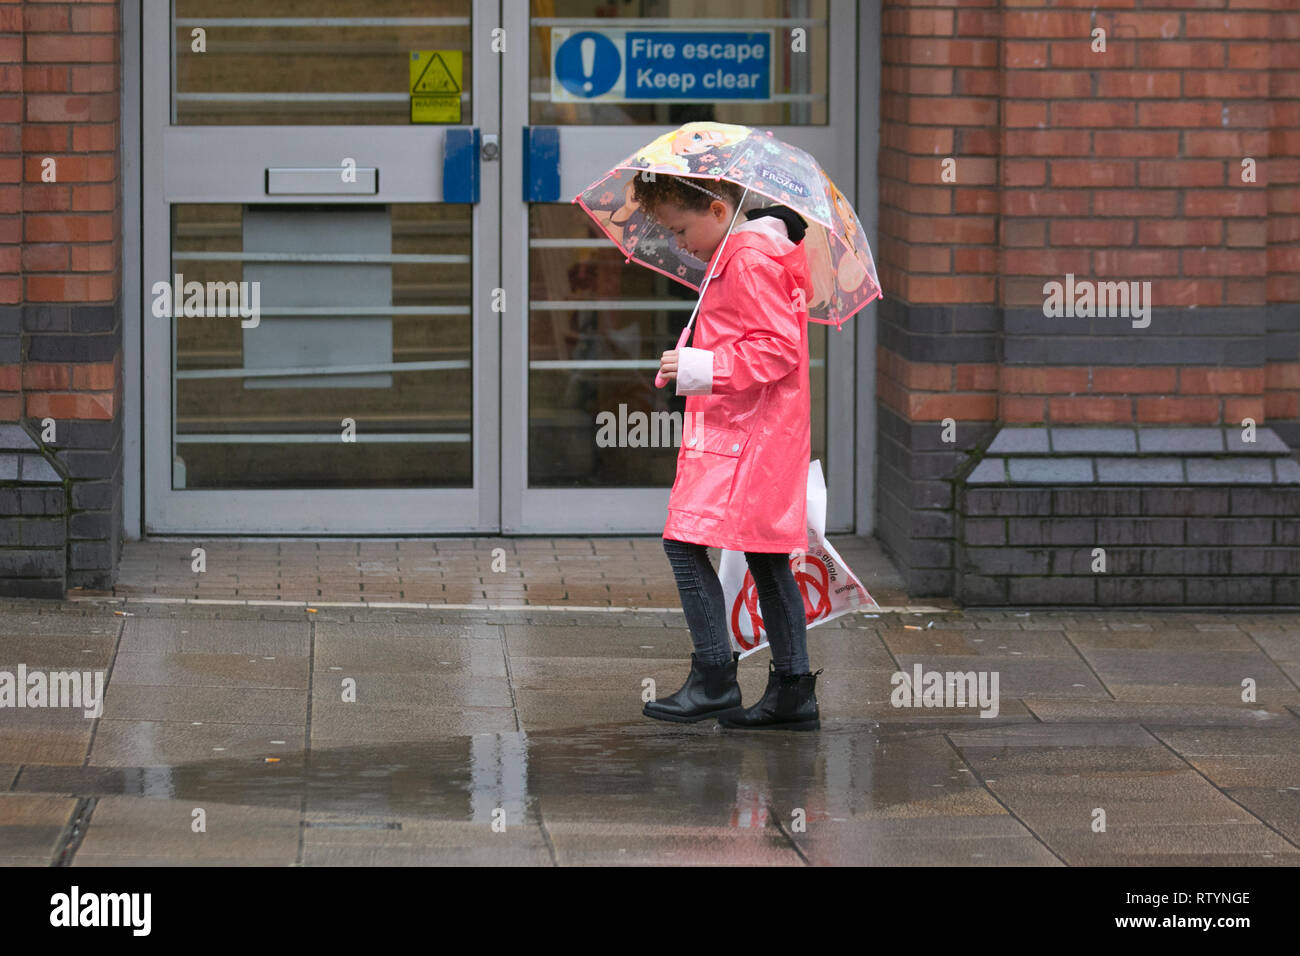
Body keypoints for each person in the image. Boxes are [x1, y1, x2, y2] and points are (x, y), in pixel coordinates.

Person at [634, 173, 823, 732]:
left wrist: (697, 366)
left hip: (748, 436)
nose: (677, 242)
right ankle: (792, 690)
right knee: (764, 555)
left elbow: (774, 351)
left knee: (682, 540)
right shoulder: (748, 254)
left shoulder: (746, 259)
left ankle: (715, 677)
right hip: (755, 432)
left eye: (680, 228)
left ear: (718, 210)